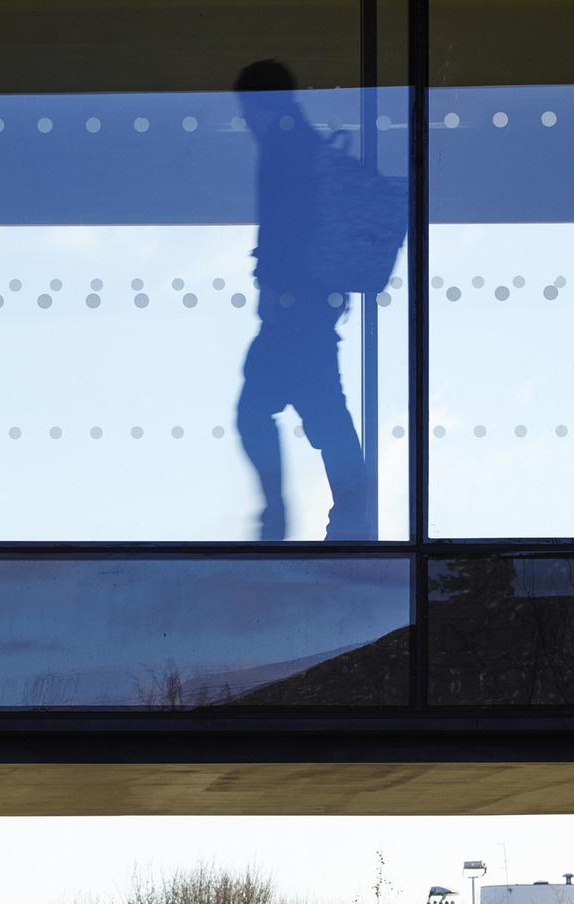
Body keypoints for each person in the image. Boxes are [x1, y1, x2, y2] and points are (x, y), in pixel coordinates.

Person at [233, 58, 373, 542]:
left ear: (258, 106)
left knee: (263, 409)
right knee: (320, 407)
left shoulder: (284, 150)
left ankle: (293, 515)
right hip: (309, 307)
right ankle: (351, 511)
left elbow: (283, 229)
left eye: (246, 110)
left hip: (294, 309)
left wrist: (273, 289)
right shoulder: (305, 146)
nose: (245, 121)